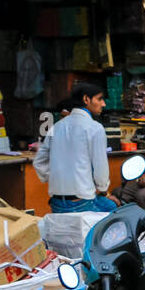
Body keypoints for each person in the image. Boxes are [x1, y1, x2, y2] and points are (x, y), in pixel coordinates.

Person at [33, 81, 116, 213]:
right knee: (113, 207)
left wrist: (55, 176)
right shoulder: (95, 128)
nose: (103, 104)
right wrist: (104, 190)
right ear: (86, 99)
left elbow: (38, 162)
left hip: (56, 202)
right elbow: (101, 171)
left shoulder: (56, 127)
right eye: (99, 99)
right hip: (82, 202)